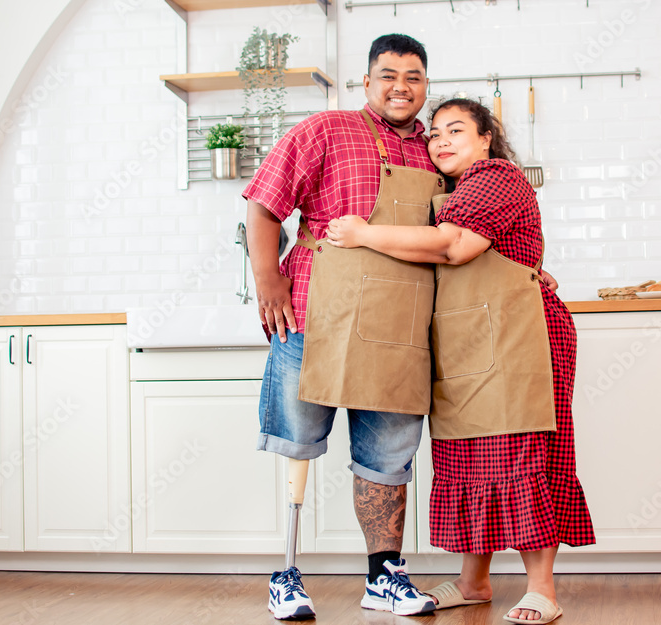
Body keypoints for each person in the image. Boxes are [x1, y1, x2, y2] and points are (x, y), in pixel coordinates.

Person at [326, 98, 596, 625]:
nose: (442, 141)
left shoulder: (495, 176)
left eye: (457, 130)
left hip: (520, 339)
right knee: (468, 458)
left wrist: (362, 233)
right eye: (435, 134)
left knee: (520, 452)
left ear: (486, 139)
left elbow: (453, 249)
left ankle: (543, 589)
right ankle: (474, 583)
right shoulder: (452, 190)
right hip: (470, 340)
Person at [243, 34, 441, 620]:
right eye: (388, 75)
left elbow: (466, 232)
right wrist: (266, 277)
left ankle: (384, 577)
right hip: (313, 313)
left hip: (401, 324)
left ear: (426, 85)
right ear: (366, 82)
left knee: (388, 458)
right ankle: (286, 574)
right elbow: (263, 203)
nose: (401, 87)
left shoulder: (439, 150)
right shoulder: (326, 129)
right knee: (297, 443)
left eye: (413, 77)